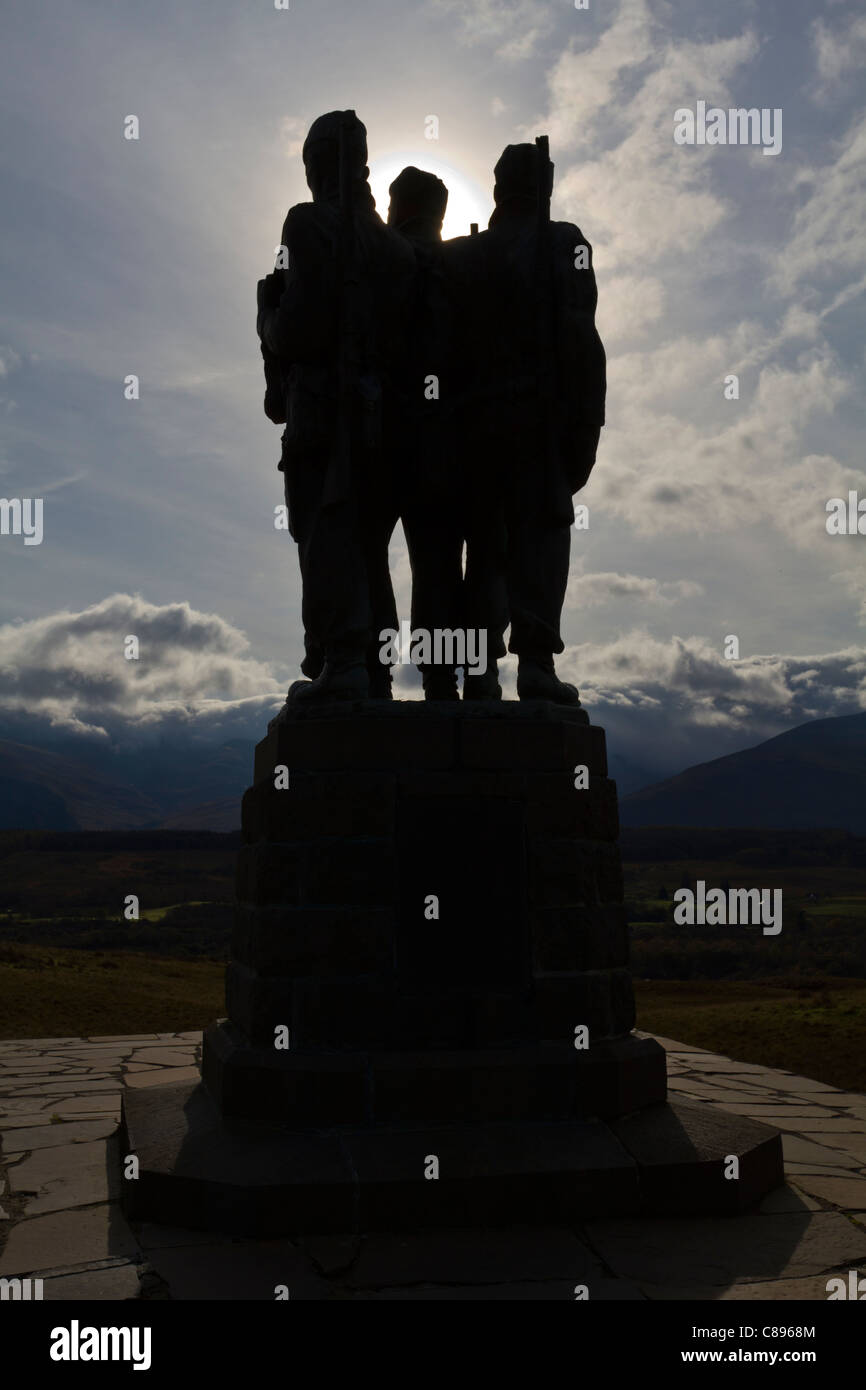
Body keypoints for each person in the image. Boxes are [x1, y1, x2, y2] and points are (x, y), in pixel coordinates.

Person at [257, 111, 414, 702]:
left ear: (317, 164)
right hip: (390, 420)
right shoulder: (397, 249)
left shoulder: (307, 223)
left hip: (326, 410)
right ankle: (372, 669)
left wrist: (267, 319)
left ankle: (344, 660)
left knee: (326, 531)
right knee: (370, 543)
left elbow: (298, 330)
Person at [457, 141, 606, 704]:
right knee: (538, 539)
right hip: (535, 422)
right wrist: (587, 423)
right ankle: (536, 664)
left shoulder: (462, 256)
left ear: (499, 188)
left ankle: (480, 671)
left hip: (472, 426)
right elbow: (582, 340)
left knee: (485, 551)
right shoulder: (566, 243)